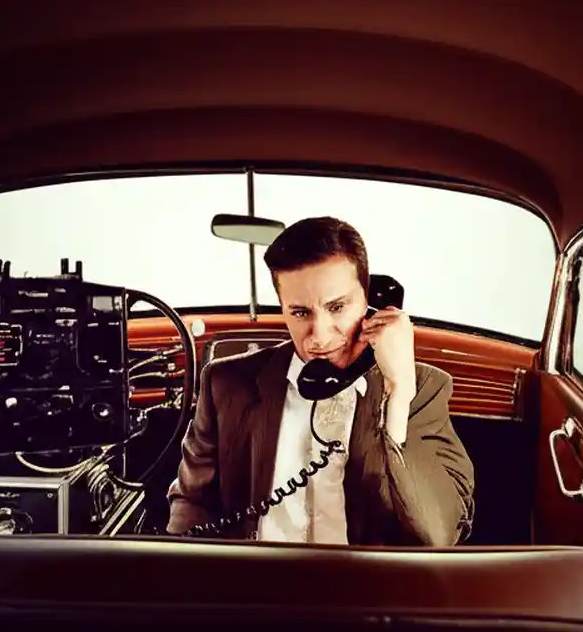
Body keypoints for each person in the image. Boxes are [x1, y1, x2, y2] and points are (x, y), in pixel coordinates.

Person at [165, 216, 474, 545]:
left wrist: (398, 394)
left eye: (337, 307)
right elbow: (191, 504)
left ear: (373, 304)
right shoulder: (225, 384)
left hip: (364, 578)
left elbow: (441, 533)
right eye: (300, 313)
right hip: (255, 575)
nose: (319, 336)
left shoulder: (423, 389)